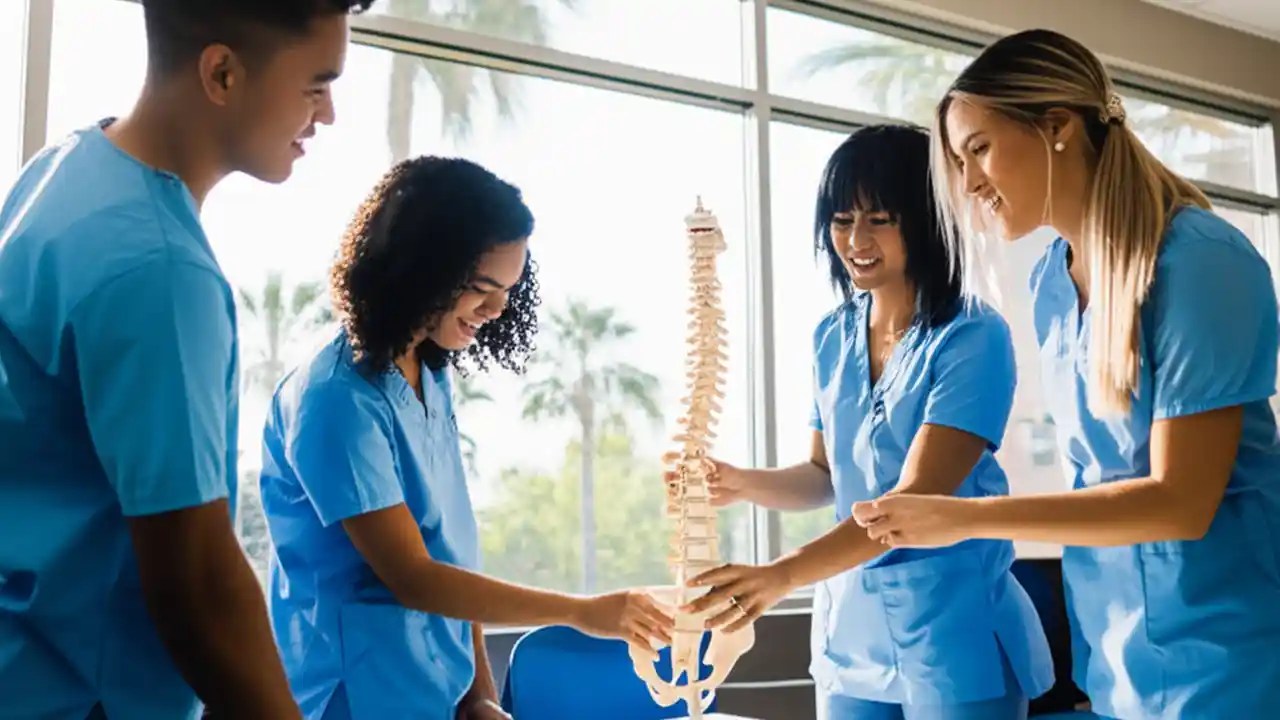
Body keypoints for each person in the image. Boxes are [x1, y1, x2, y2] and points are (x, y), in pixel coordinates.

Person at [852, 28, 1280, 720]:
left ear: (1057, 126)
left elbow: (1180, 500)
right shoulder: (1055, 282)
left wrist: (966, 518)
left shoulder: (1200, 261)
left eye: (979, 150)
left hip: (1231, 660)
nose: (968, 185)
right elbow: (1098, 479)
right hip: (1117, 661)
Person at [0, 1, 373, 718]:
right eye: (315, 85)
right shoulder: (160, 269)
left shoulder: (68, 169)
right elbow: (197, 583)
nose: (326, 115)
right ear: (223, 73)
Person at [260, 156, 676, 720]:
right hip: (353, 699)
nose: (498, 308)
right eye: (481, 287)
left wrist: (477, 692)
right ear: (420, 269)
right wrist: (580, 611)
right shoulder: (336, 399)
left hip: (431, 695)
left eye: (508, 287)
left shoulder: (427, 374)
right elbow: (414, 577)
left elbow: (451, 552)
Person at [679, 125, 1053, 720]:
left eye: (880, 218)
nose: (855, 239)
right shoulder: (832, 335)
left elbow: (913, 500)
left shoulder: (972, 336)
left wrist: (780, 576)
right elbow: (824, 474)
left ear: (925, 221)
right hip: (850, 631)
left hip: (952, 629)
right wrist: (739, 482)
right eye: (840, 218)